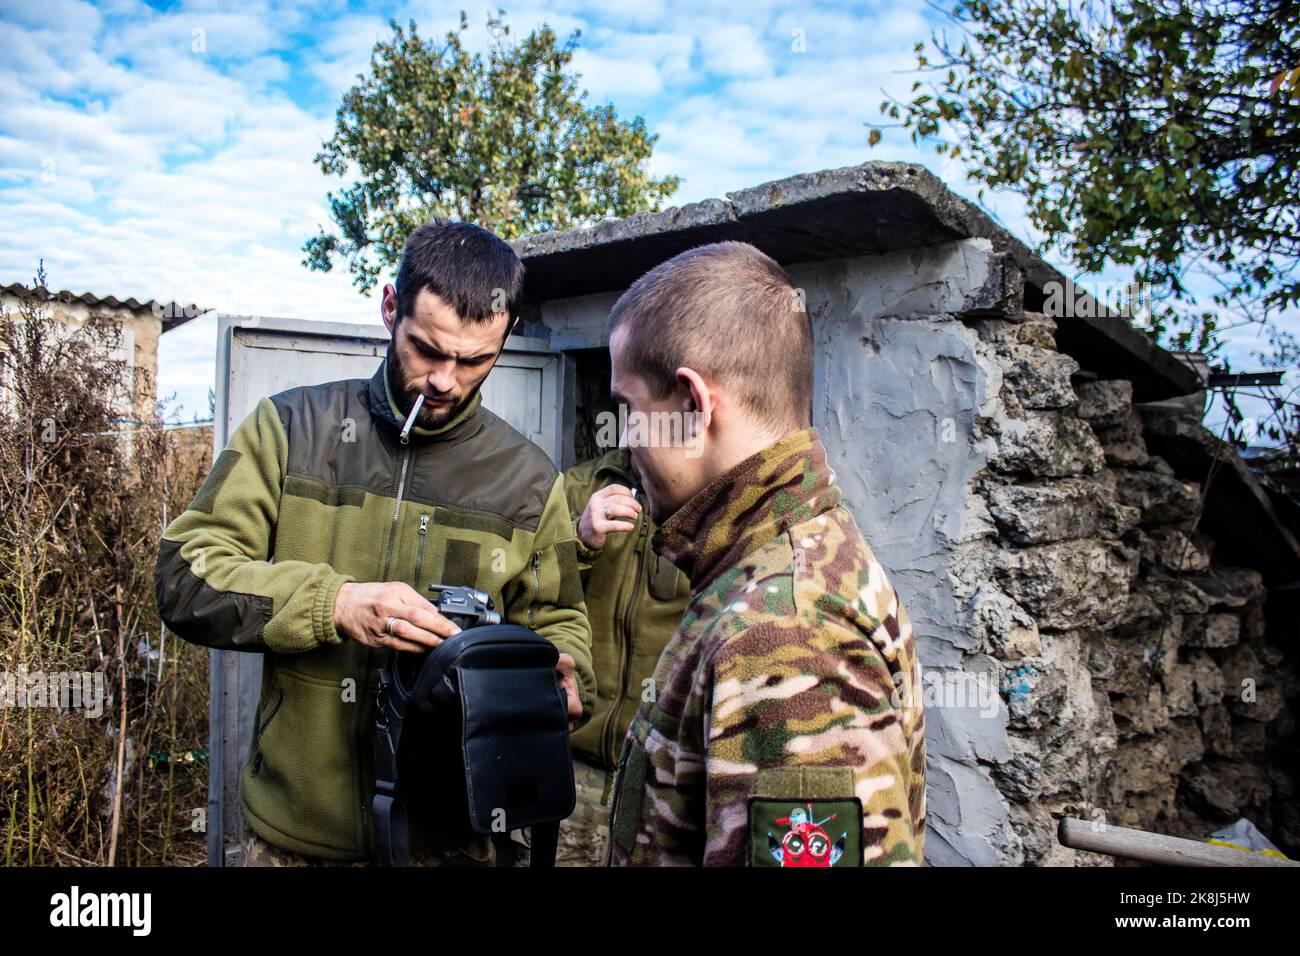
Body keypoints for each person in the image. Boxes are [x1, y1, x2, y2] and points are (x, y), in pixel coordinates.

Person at [155, 221, 595, 866]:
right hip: (293, 839)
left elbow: (559, 618)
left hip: (452, 840)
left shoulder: (529, 480)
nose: (445, 379)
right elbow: (184, 576)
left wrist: (559, 672)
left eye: (475, 360)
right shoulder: (290, 429)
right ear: (390, 307)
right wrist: (333, 604)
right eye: (426, 349)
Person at [602, 240, 926, 867]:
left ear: (693, 407)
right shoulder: (774, 563)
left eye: (629, 410)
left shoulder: (783, 627)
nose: (626, 442)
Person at [556, 447, 691, 865]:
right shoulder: (574, 488)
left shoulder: (716, 503)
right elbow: (523, 598)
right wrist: (578, 543)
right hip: (570, 772)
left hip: (664, 783)